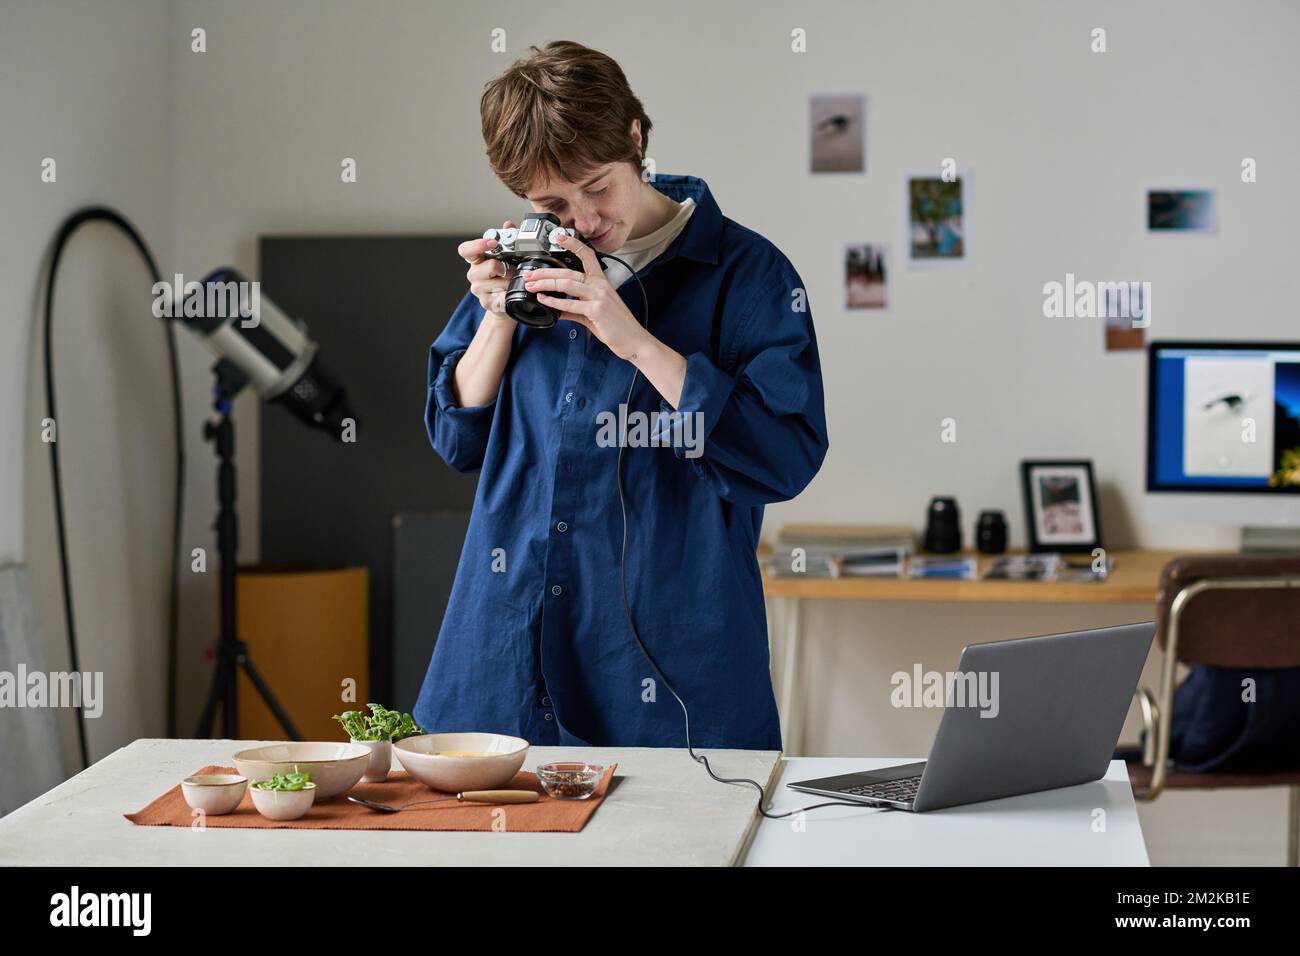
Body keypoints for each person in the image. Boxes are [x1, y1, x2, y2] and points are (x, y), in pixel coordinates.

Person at [413, 40, 827, 750]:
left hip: (671, 676)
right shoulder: (532, 261)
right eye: (551, 202)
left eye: (598, 186)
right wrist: (496, 318)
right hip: (504, 660)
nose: (583, 219)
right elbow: (456, 438)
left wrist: (634, 339)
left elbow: (782, 459)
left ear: (635, 138)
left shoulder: (748, 274)